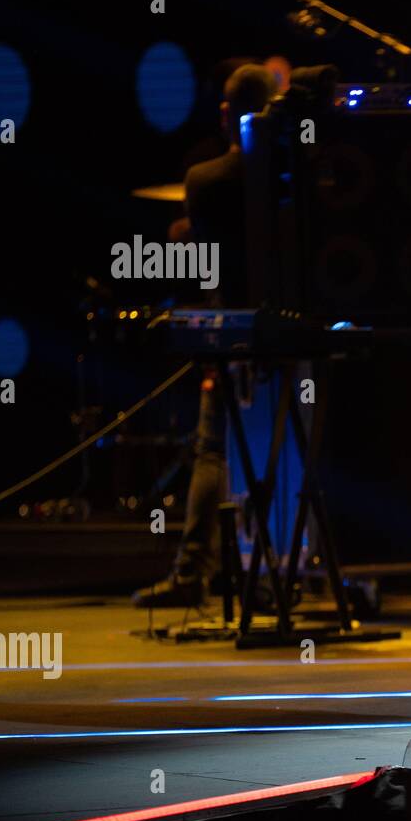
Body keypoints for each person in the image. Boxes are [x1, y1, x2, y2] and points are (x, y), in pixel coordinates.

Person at [132, 63, 278, 608]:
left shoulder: (206, 180)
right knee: (283, 453)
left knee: (213, 451)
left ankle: (194, 573)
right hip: (286, 332)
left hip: (231, 331)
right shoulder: (294, 172)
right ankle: (271, 573)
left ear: (228, 112)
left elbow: (201, 248)